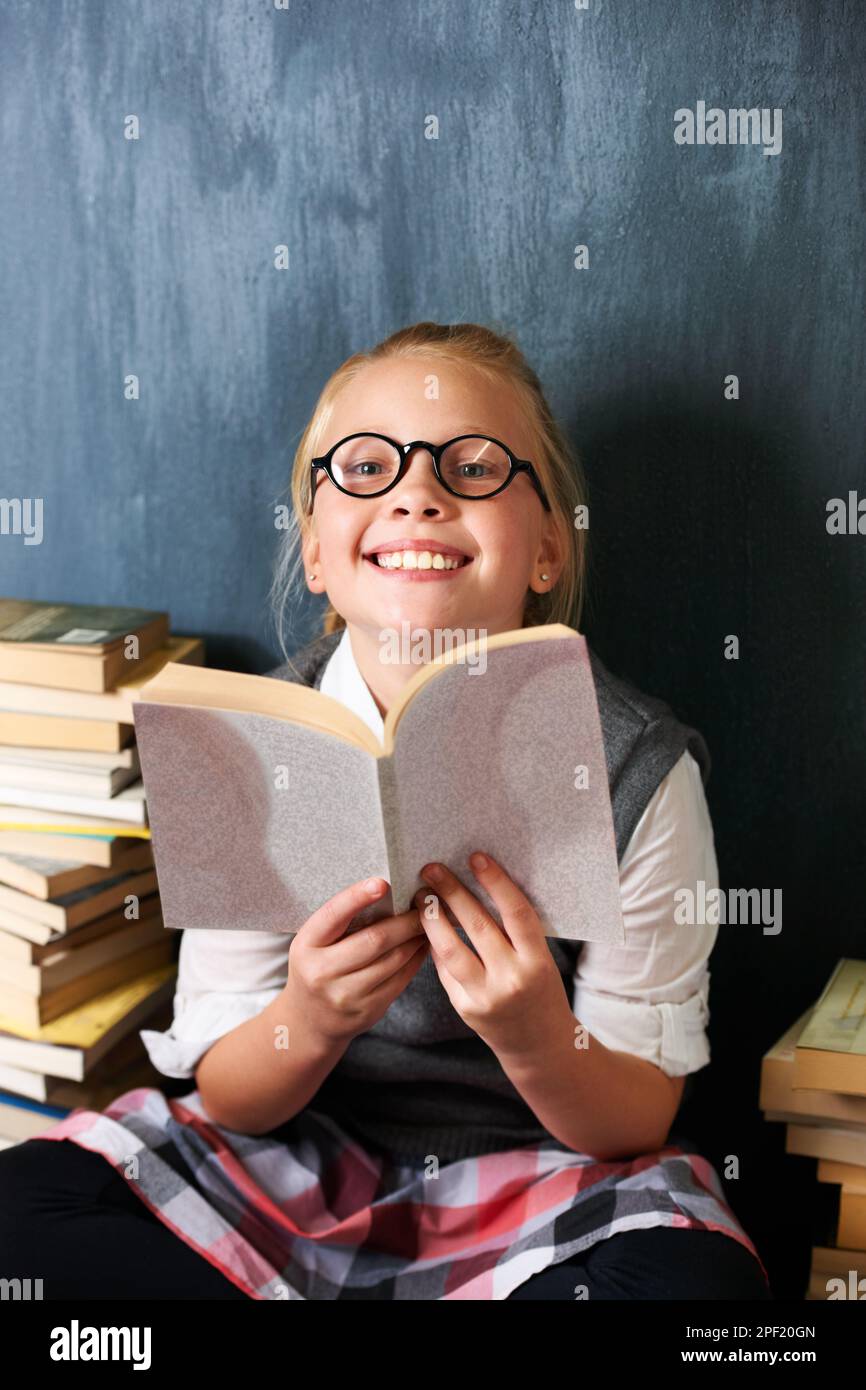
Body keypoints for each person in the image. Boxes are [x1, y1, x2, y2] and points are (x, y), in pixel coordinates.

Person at [0, 322, 771, 1300]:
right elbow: (229, 1097)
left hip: (552, 1176)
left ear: (544, 549)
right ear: (317, 551)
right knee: (21, 1212)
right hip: (290, 1163)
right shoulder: (246, 744)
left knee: (693, 1292)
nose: (416, 490)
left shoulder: (637, 768)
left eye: (475, 465)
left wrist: (536, 1032)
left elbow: (633, 1120)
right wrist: (308, 1017)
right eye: (365, 465)